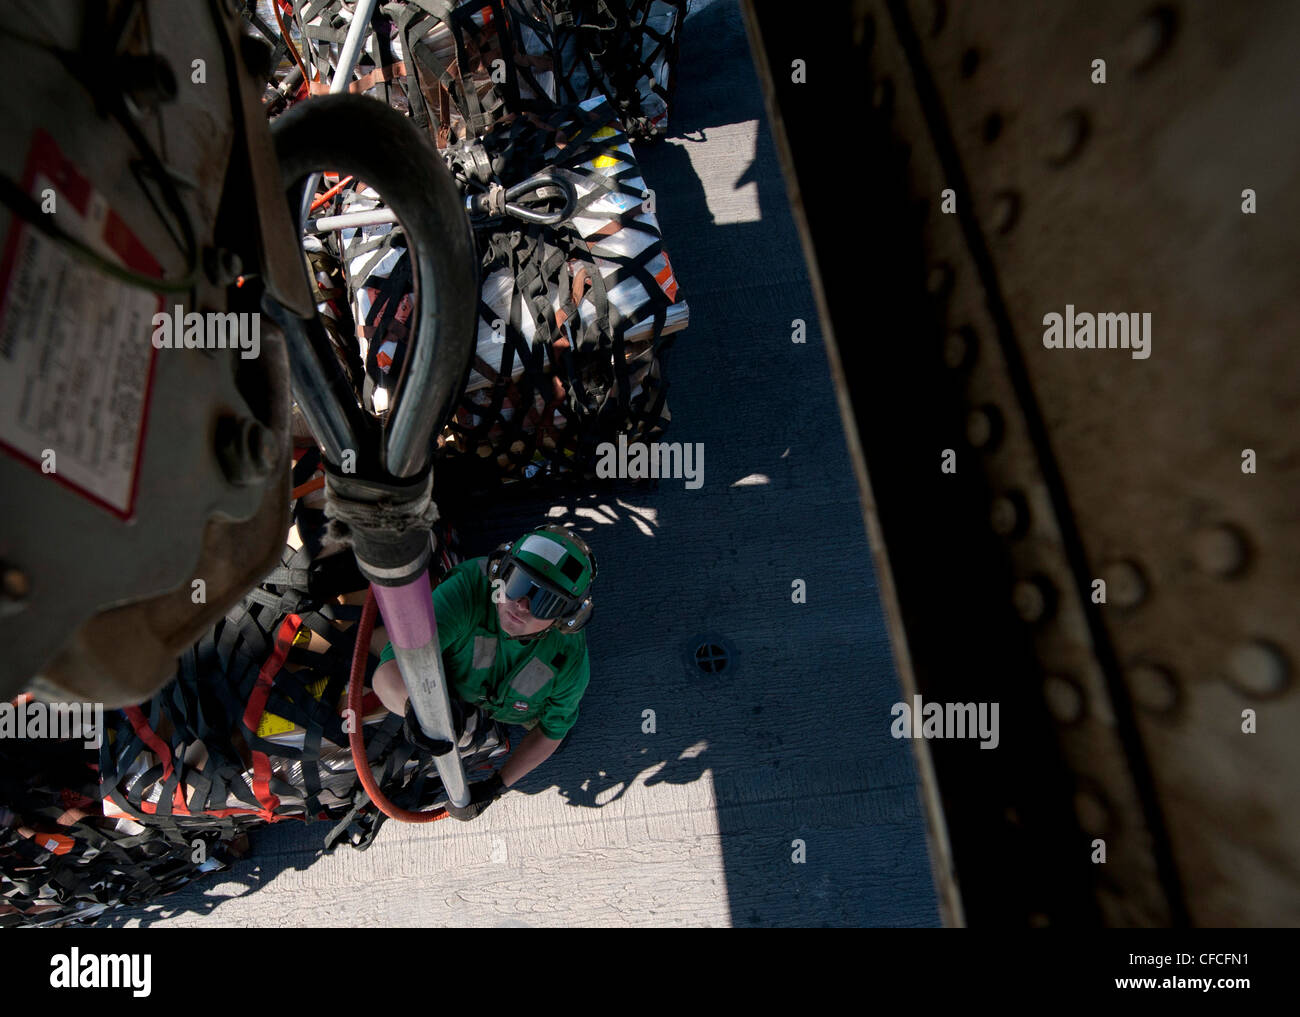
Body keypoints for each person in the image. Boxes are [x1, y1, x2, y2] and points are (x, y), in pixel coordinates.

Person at [371, 524, 596, 821]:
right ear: (497, 572)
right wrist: (415, 709)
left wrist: (496, 785)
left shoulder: (570, 658)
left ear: (567, 619)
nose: (521, 604)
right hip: (452, 692)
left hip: (519, 710)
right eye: (516, 583)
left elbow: (552, 731)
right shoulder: (467, 590)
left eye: (545, 601)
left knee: (554, 734)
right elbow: (388, 673)